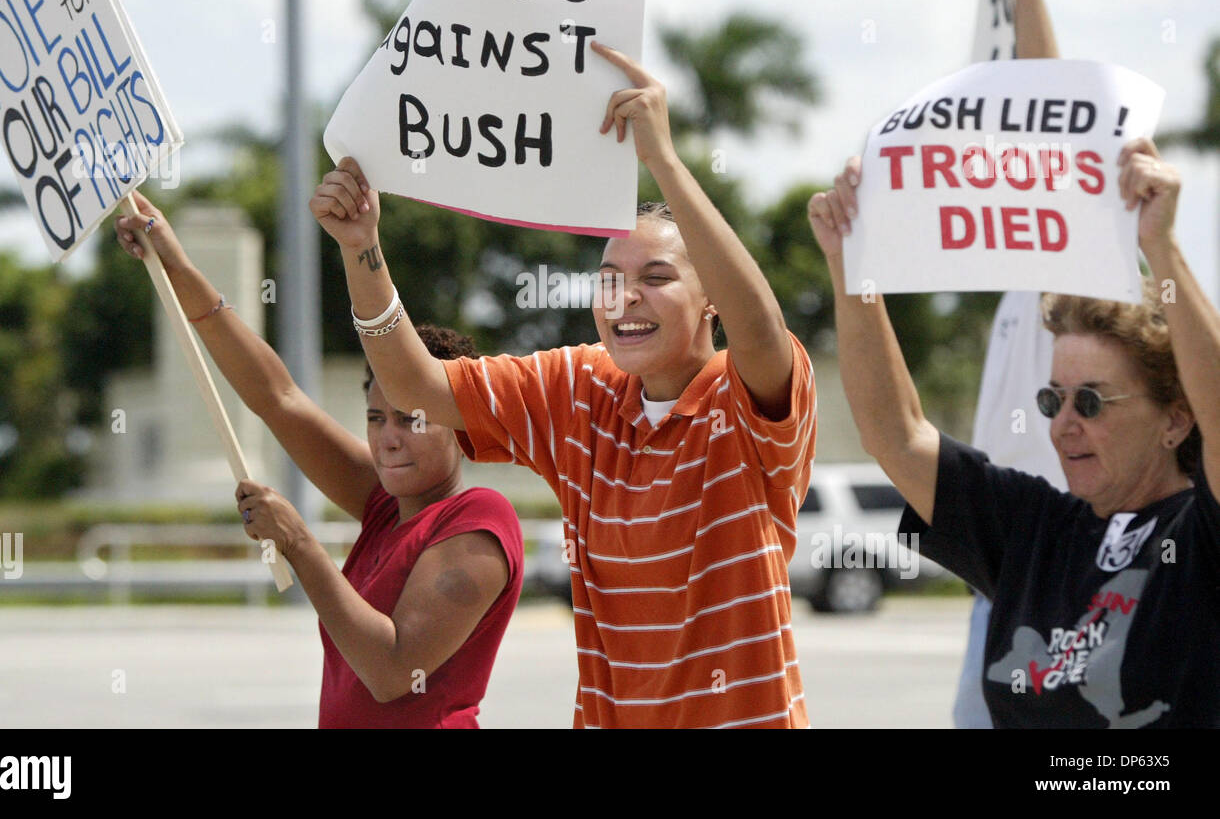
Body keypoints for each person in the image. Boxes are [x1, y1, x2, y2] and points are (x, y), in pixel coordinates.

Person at [309, 41, 818, 728]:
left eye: (657, 277)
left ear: (711, 301)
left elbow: (760, 329)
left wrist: (663, 162)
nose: (624, 298)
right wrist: (360, 247)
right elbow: (412, 380)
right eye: (609, 280)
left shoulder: (748, 398)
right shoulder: (578, 390)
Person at [809, 137, 1220, 727]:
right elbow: (895, 435)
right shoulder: (1035, 530)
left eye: (1092, 401)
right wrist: (854, 267)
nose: (1063, 424)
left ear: (1176, 419)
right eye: (1052, 399)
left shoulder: (1201, 533)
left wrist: (1161, 244)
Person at [114, 194, 523, 728]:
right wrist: (176, 266)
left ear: (461, 422)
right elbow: (276, 396)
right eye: (376, 419)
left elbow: (393, 669)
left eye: (412, 419)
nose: (389, 439)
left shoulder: (480, 519)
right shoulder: (385, 506)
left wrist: (300, 544)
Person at [955, 0, 1068, 729]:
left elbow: (1046, 98)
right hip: (1003, 578)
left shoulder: (1063, 280)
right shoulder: (1015, 296)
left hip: (1057, 575)